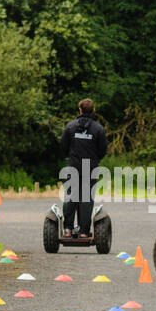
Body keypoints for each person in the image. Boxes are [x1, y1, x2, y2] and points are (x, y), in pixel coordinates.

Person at [59, 98, 107, 237]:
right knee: (86, 198)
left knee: (71, 195)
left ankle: (67, 229)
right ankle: (84, 232)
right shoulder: (98, 129)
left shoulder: (70, 127)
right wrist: (95, 160)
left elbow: (63, 147)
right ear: (93, 111)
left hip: (73, 166)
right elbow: (103, 150)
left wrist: (71, 157)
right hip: (90, 168)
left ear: (80, 110)